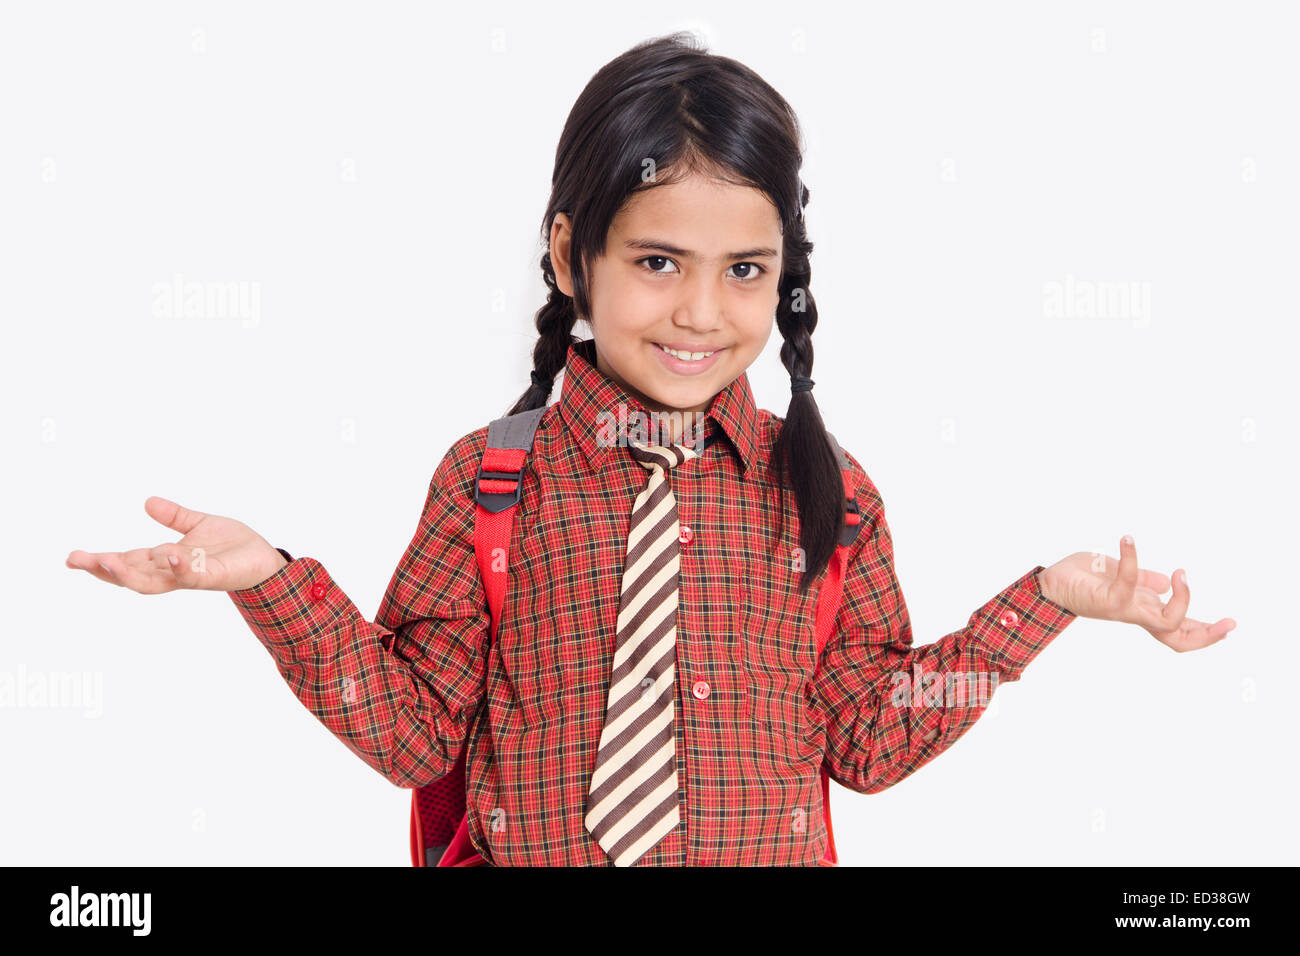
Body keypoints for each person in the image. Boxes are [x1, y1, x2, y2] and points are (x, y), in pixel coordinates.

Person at [65, 32, 1236, 866]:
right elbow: (418, 731)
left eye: (744, 271)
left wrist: (1042, 605)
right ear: (574, 253)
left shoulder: (828, 492)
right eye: (657, 260)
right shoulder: (491, 477)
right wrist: (271, 582)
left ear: (784, 278)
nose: (699, 312)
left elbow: (871, 740)